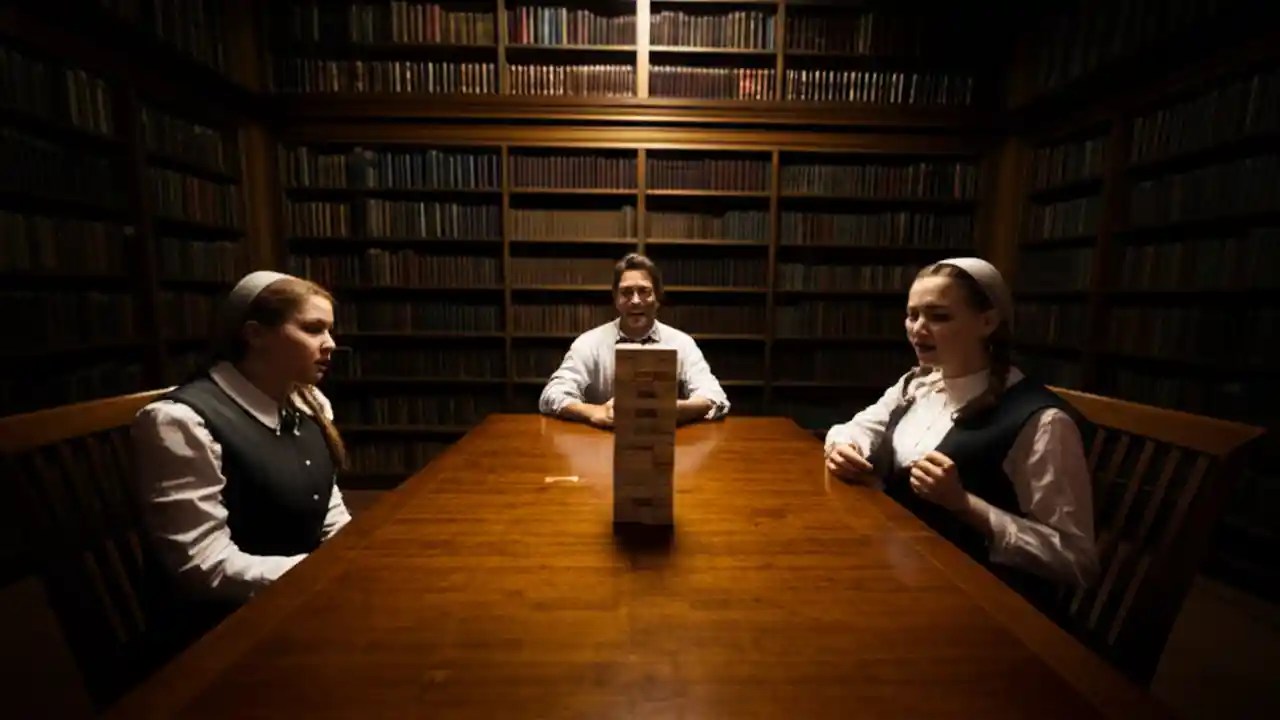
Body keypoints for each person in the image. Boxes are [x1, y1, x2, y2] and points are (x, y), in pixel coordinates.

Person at [823, 257, 1098, 593]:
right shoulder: (919, 383)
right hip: (900, 565)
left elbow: (1075, 561)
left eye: (938, 316)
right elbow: (858, 427)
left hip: (975, 592)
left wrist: (964, 504)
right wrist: (845, 446)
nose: (917, 328)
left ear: (987, 321)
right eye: (912, 315)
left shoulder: (1044, 422)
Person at [131, 270, 352, 608]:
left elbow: (328, 509)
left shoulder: (309, 402)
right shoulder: (181, 422)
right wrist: (322, 572)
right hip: (229, 622)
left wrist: (355, 555)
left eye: (329, 330)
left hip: (302, 594)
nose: (330, 343)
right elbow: (203, 565)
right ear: (255, 335)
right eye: (312, 329)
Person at [538, 253, 730, 428]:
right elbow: (552, 394)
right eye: (626, 292)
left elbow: (715, 397)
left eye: (644, 291)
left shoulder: (682, 343)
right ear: (615, 298)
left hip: (666, 443)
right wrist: (593, 412)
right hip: (602, 444)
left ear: (657, 297)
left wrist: (675, 409)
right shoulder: (589, 343)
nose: (636, 301)